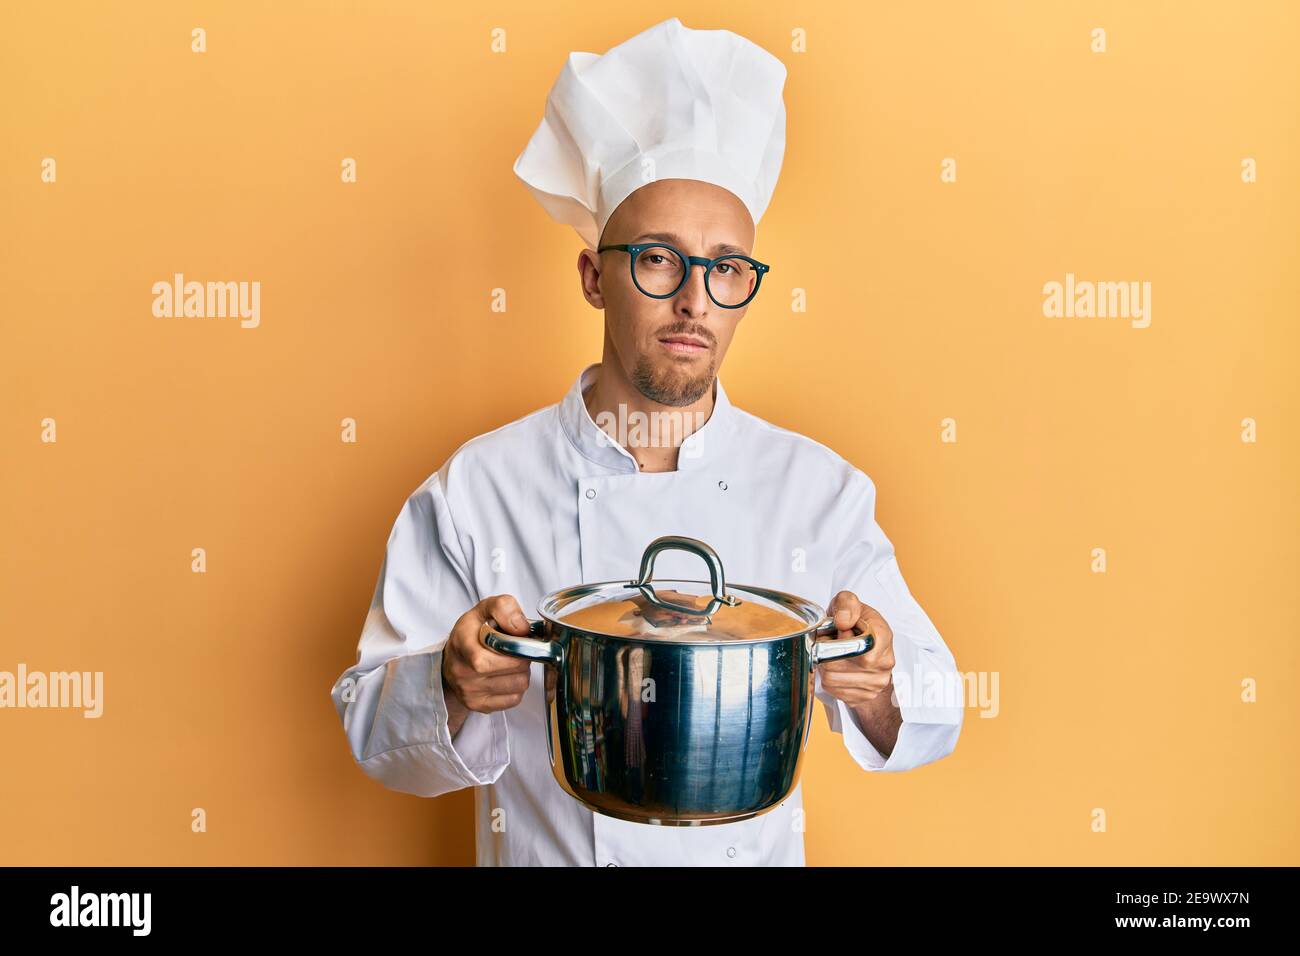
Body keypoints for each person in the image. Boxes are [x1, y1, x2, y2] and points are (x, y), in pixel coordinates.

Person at [330, 17, 962, 866]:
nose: (695, 301)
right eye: (660, 259)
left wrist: (879, 683)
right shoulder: (477, 488)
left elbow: (938, 707)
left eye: (728, 267)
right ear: (595, 276)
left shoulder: (819, 491)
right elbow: (370, 730)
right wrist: (447, 684)